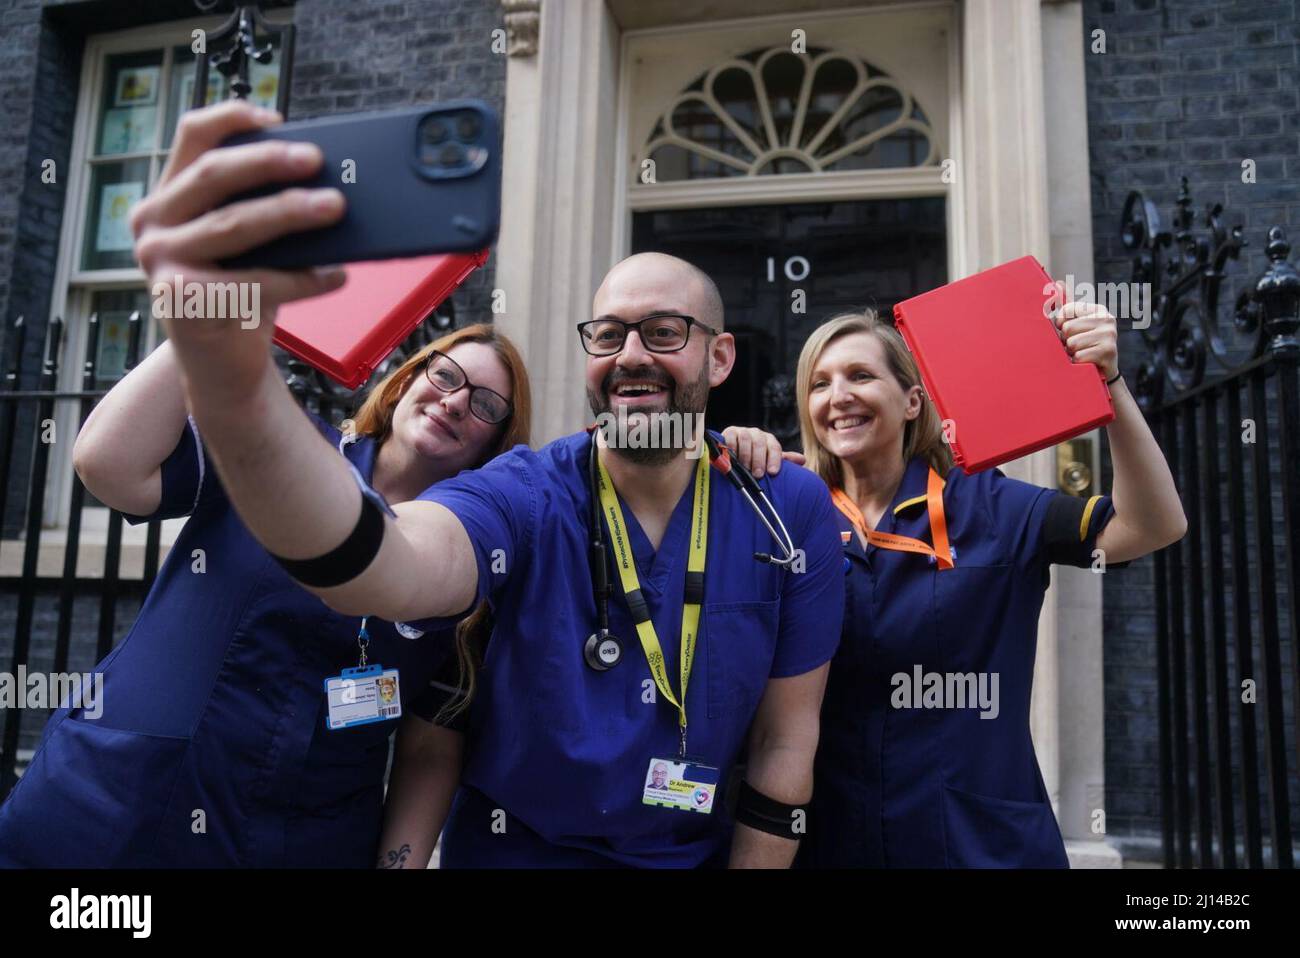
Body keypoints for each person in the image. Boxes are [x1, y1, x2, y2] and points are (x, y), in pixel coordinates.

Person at [129, 100, 846, 868]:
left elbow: (783, 742)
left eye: (665, 332)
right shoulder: (529, 491)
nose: (631, 355)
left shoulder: (785, 508)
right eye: (607, 335)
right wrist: (237, 388)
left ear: (721, 358)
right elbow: (392, 565)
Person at [0, 305, 530, 865]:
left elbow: (429, 746)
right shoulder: (280, 444)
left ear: (494, 445)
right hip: (115, 809)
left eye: (485, 404)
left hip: (298, 844)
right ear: (403, 384)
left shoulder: (472, 571)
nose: (454, 401)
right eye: (445, 375)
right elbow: (107, 464)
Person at [730, 307, 1185, 867]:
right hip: (834, 845)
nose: (838, 395)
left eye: (861, 376)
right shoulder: (786, 518)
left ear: (913, 402)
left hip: (980, 845)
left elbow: (1151, 526)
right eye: (820, 384)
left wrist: (1109, 385)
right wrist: (720, 466)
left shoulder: (991, 507)